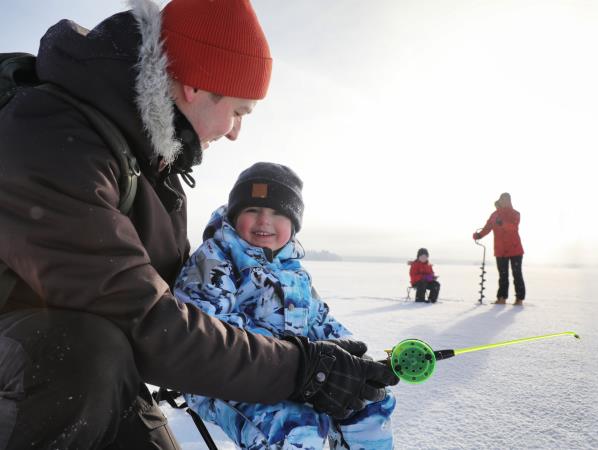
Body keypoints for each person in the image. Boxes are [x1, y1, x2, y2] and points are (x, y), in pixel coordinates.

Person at [0, 1, 397, 448]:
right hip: (61, 362)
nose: (235, 132)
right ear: (195, 85)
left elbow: (178, 309)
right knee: (82, 352)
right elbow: (143, 319)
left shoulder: (153, 167)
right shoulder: (50, 140)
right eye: (239, 111)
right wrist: (298, 369)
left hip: (89, 365)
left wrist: (311, 354)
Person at [175, 162, 396, 449]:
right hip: (222, 380)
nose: (264, 221)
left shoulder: (294, 272)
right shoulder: (215, 260)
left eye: (278, 213)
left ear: (293, 224)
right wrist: (297, 366)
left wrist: (353, 361)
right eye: (252, 210)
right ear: (234, 215)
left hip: (298, 376)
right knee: (296, 429)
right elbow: (209, 332)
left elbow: (319, 321)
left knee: (370, 403)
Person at [472, 192, 525, 305]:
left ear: (510, 201)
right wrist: (479, 235)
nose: (505, 201)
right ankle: (501, 298)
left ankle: (519, 299)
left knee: (517, 274)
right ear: (500, 200)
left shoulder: (516, 214)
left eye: (507, 199)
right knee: (503, 275)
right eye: (503, 199)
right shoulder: (494, 215)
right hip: (500, 250)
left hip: (515, 249)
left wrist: (502, 223)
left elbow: (513, 227)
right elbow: (487, 228)